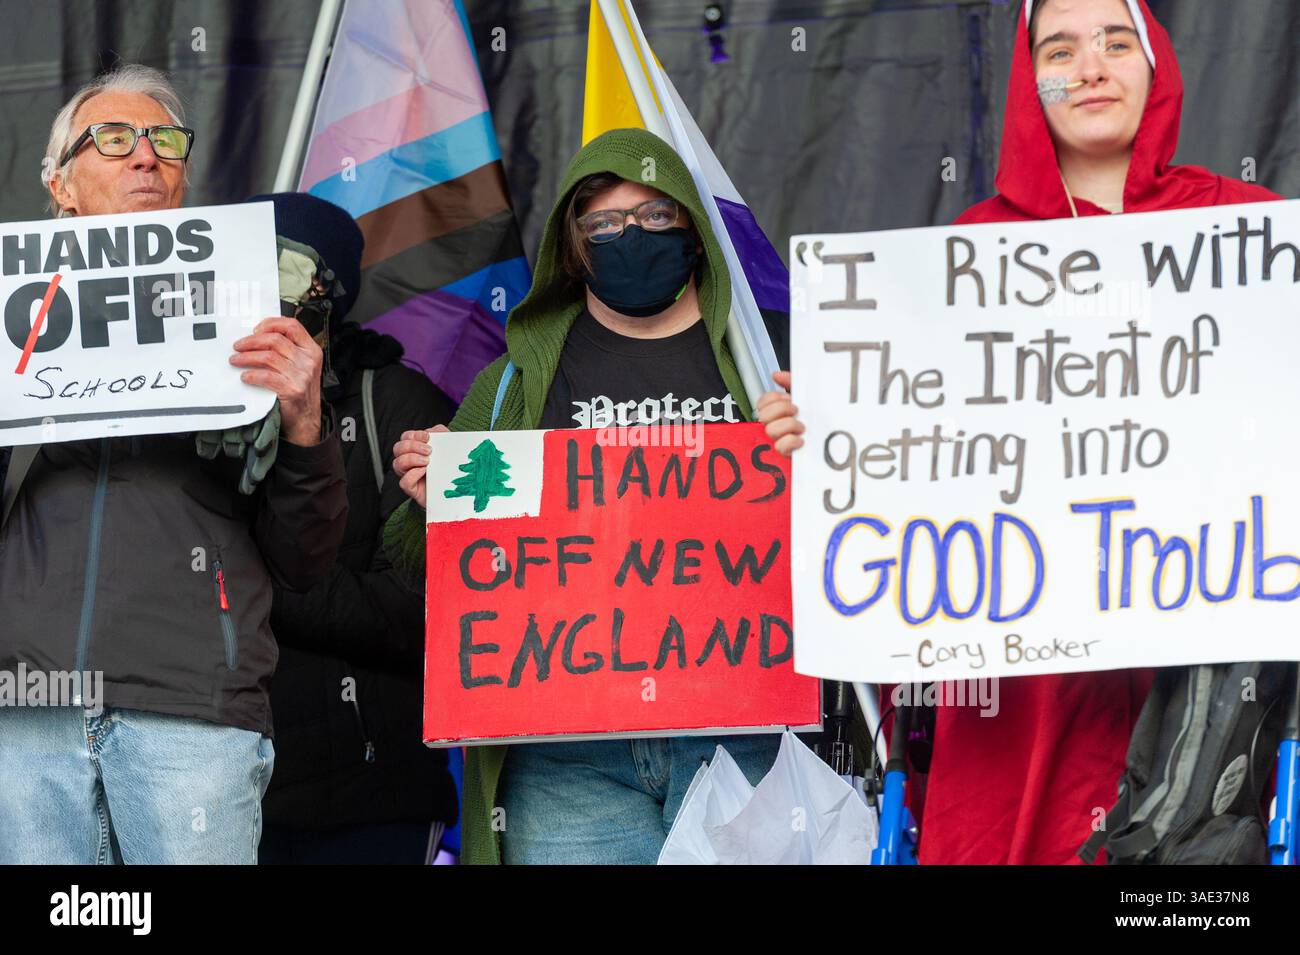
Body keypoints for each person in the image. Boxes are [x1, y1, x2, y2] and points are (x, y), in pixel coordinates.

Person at [758, 0, 1283, 864]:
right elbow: (914, 458)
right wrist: (823, 427)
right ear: (1027, 76)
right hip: (1025, 671)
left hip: (1203, 669)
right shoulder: (971, 251)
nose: (1090, 66)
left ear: (1155, 64)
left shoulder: (1247, 230)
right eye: (1060, 48)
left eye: (1118, 43)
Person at [383, 127, 787, 864]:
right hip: (564, 758)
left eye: (655, 216)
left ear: (694, 228)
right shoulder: (510, 387)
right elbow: (416, 567)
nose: (629, 236)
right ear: (573, 242)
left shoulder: (766, 365)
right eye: (604, 222)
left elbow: (855, 537)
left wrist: (816, 450)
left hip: (742, 734)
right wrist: (427, 503)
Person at [0, 65, 348, 864]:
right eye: (115, 140)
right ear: (61, 182)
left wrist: (304, 421)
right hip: (27, 706)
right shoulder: (7, 316)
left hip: (192, 705)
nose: (145, 157)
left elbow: (307, 558)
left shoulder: (254, 320)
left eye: (164, 142)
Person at [247, 192, 460, 864]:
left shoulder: (395, 402)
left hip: (371, 796)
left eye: (282, 269)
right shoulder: (177, 406)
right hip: (206, 786)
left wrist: (257, 587)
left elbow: (434, 607)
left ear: (326, 291)